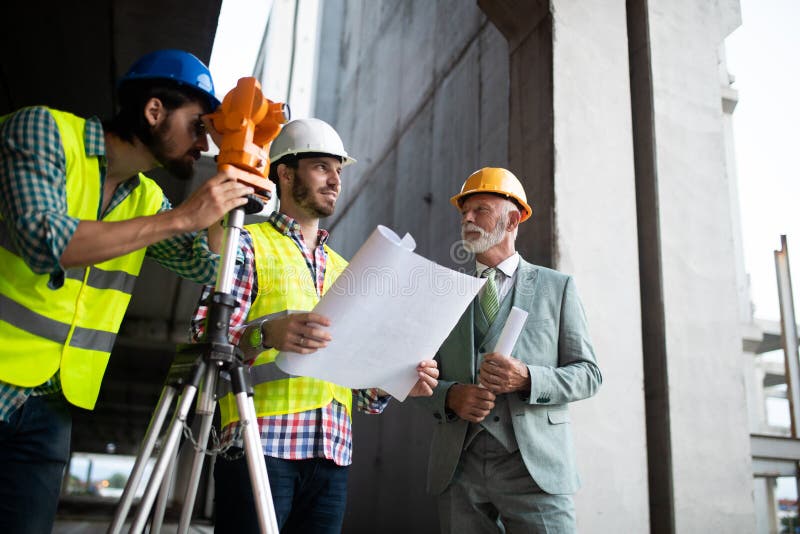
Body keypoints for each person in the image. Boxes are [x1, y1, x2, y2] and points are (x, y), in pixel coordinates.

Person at [0, 49, 254, 533]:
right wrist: (182, 217)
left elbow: (208, 265)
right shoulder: (44, 131)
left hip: (53, 401)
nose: (203, 144)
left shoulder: (145, 197)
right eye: (198, 126)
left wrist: (230, 182)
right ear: (154, 111)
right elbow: (44, 240)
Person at [190, 117, 439, 533]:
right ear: (286, 174)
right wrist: (266, 334)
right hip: (259, 443)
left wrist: (394, 380)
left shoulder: (347, 271)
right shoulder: (247, 244)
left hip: (332, 453)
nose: (335, 180)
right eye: (322, 167)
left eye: (338, 170)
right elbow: (203, 339)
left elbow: (360, 389)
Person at [414, 167, 602, 533]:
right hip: (459, 468)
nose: (467, 219)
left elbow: (588, 374)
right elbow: (412, 376)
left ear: (512, 220)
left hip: (536, 468)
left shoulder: (557, 288)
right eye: (464, 212)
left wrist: (529, 378)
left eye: (480, 210)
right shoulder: (443, 292)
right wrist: (450, 396)